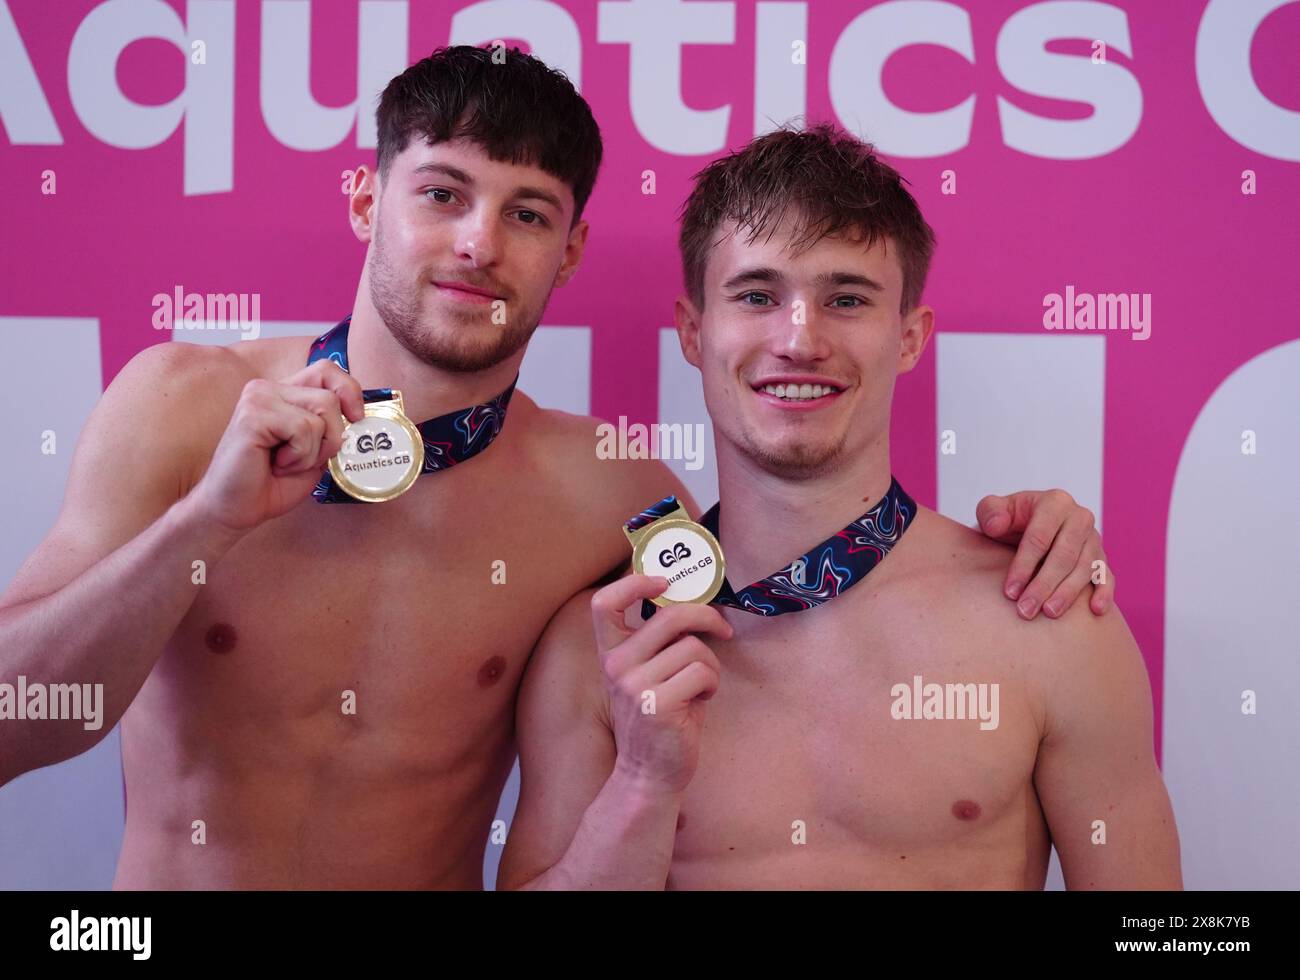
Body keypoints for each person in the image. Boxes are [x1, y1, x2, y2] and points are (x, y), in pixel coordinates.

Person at [0, 49, 1112, 889]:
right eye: (441, 192)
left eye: (526, 213)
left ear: (569, 248)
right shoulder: (186, 403)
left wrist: (1037, 540)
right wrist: (202, 523)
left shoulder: (612, 494)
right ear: (364, 198)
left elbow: (803, 587)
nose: (480, 243)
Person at [500, 123, 1179, 890]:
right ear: (695, 332)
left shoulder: (1041, 615)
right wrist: (643, 784)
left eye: (846, 298)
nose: (800, 339)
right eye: (757, 295)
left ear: (911, 337)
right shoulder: (605, 646)